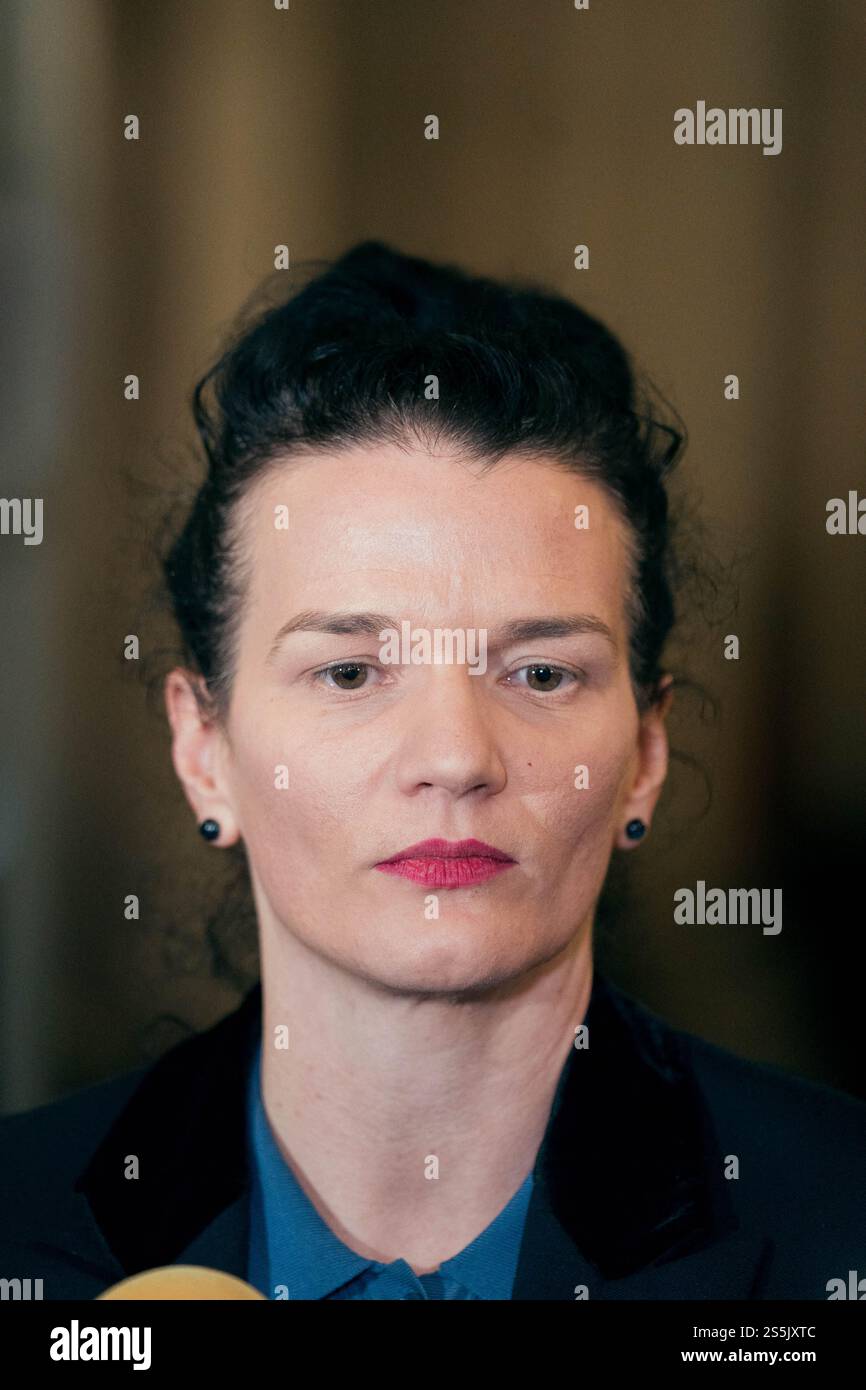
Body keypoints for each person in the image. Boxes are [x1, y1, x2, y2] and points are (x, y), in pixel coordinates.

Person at [2, 241, 864, 1301]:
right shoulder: (21, 1226)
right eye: (351, 670)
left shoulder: (839, 1225)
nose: (454, 756)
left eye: (541, 671)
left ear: (643, 755)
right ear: (204, 748)